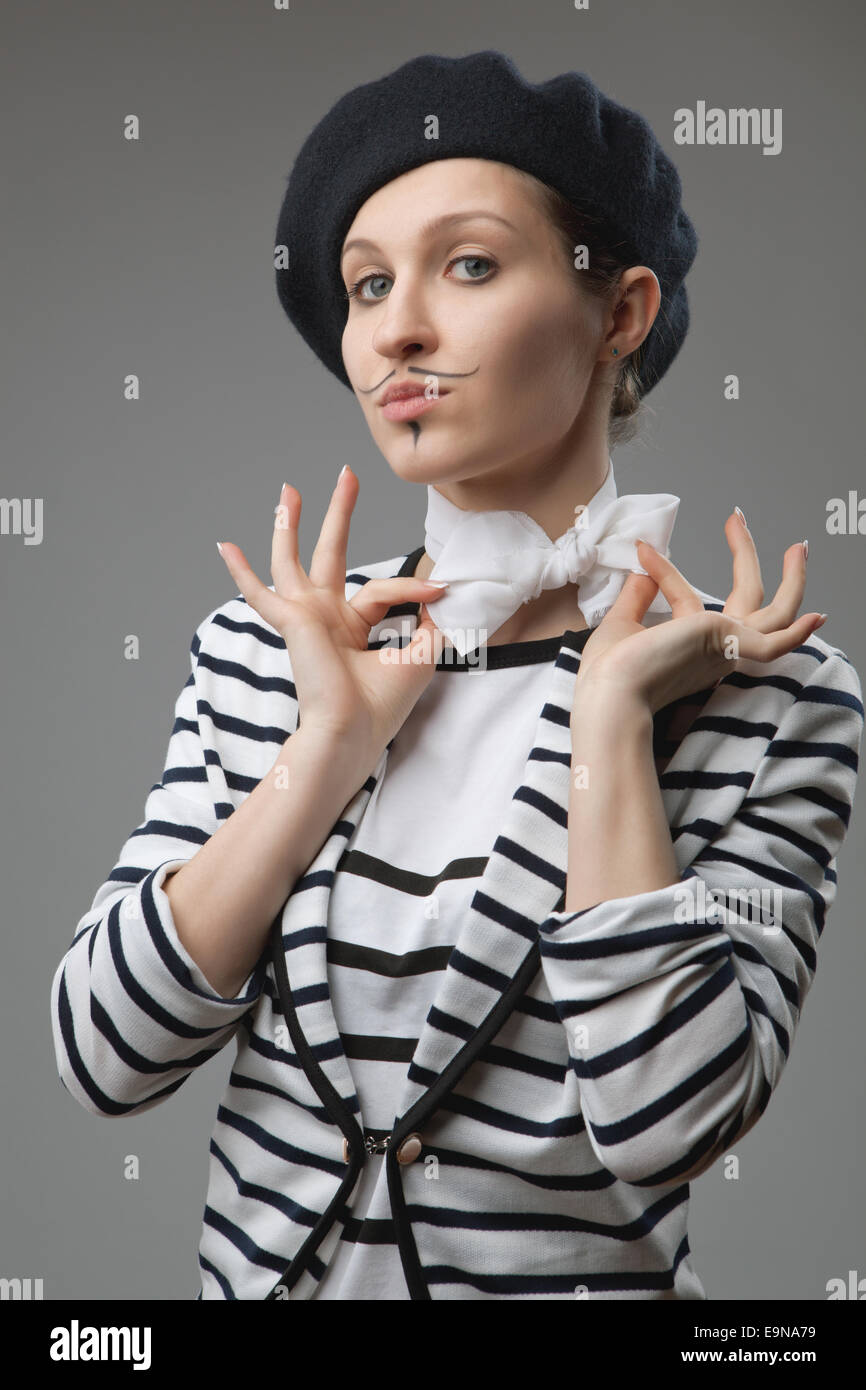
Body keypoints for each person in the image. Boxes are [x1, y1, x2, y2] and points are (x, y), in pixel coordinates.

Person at [51, 52, 863, 1301]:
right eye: (366, 283)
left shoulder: (771, 692)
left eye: (467, 264)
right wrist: (323, 747)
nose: (395, 329)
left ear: (619, 313)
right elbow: (104, 1056)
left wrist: (607, 719)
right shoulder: (267, 651)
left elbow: (669, 1122)